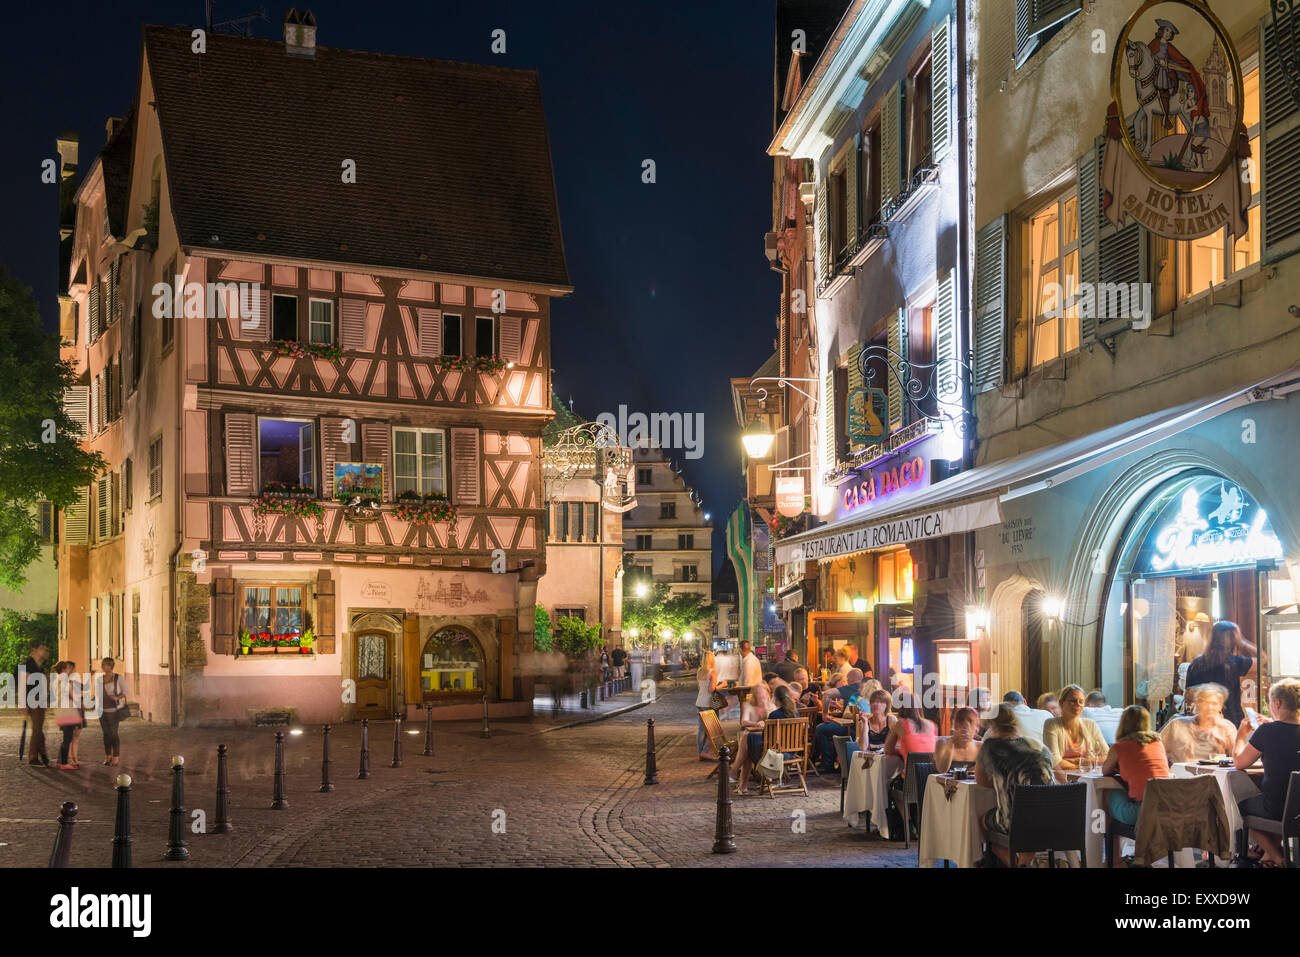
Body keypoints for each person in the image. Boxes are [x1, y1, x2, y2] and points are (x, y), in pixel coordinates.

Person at [975, 704, 1055, 866]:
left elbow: (981, 780)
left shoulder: (990, 746)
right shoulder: (1038, 745)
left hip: (1017, 822)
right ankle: (1023, 863)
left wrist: (1003, 780)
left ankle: (1014, 864)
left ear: (991, 726)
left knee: (983, 820)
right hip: (1052, 819)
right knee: (1031, 821)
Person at [1233, 677, 1300, 867]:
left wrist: (1240, 736)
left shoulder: (1268, 731)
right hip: (1297, 809)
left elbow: (1239, 763)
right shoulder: (1271, 728)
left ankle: (1277, 857)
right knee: (1275, 798)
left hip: (1277, 808)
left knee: (1237, 807)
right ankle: (1270, 854)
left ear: (1277, 703)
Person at [1100, 706, 1171, 827]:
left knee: (1108, 793)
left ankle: (1111, 841)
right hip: (1167, 809)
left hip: (1140, 812)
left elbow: (1105, 771)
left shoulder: (1119, 747)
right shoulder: (1157, 743)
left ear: (1123, 723)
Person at [1185, 620, 1256, 726]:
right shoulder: (1235, 663)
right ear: (1232, 640)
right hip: (1230, 721)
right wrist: (1242, 641)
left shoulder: (1196, 664)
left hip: (1201, 720)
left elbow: (1188, 697)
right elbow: (1263, 658)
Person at [886, 694, 939, 828]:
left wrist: (903, 753)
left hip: (911, 781)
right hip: (932, 780)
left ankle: (909, 823)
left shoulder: (901, 724)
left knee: (892, 786)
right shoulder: (932, 725)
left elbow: (887, 749)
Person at [1043, 684, 1108, 781]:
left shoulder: (1091, 724)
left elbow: (1107, 756)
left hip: (1088, 779)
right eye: (1073, 701)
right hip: (1061, 781)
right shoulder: (1051, 724)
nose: (1078, 704)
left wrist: (1074, 762)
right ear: (1061, 703)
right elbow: (1054, 761)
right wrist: (1084, 763)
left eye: (1081, 702)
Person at [1160, 683, 1238, 764]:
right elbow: (1156, 748)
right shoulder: (1177, 725)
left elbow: (1237, 758)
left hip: (1215, 775)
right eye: (1205, 703)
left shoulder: (1227, 727)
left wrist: (1226, 731)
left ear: (1220, 706)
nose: (1210, 707)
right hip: (1182, 775)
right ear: (1197, 704)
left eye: (1214, 703)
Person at [734, 683, 775, 795]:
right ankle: (746, 783)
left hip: (766, 740)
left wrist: (766, 707)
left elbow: (773, 722)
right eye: (757, 693)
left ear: (767, 693)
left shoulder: (771, 706)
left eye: (762, 692)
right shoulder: (749, 705)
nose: (760, 695)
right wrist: (756, 723)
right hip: (752, 736)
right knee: (746, 744)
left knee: (746, 750)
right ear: (754, 695)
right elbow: (743, 722)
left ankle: (742, 784)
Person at [20, 639, 51, 768]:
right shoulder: (28, 665)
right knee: (37, 729)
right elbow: (23, 685)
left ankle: (43, 752)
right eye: (42, 649)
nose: (44, 651)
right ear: (35, 650)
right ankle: (33, 757)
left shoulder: (40, 666)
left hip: (41, 700)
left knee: (39, 728)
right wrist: (23, 704)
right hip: (32, 700)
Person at [52, 661, 86, 771]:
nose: (69, 670)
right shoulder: (64, 680)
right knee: (67, 739)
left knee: (66, 738)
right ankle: (64, 763)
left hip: (61, 711)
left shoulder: (57, 680)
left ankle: (59, 761)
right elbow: (72, 696)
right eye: (67, 668)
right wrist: (79, 696)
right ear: (63, 669)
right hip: (68, 712)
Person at [97, 657, 128, 767]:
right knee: (106, 734)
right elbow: (98, 694)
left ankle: (116, 757)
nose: (103, 667)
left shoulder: (118, 678)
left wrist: (117, 697)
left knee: (114, 733)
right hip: (102, 711)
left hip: (114, 711)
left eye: (106, 664)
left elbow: (125, 692)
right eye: (103, 664)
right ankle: (107, 757)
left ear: (111, 666)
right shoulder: (99, 679)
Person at [935, 706, 982, 772]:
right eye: (961, 721)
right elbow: (942, 770)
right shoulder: (942, 743)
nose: (965, 726)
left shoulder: (980, 747)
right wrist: (951, 743)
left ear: (977, 727)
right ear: (955, 725)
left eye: (970, 721)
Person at [694, 651, 719, 761]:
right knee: (713, 729)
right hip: (709, 703)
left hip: (699, 702)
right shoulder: (713, 672)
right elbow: (711, 689)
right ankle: (705, 751)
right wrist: (722, 684)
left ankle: (700, 752)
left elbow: (700, 688)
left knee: (701, 729)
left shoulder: (699, 671)